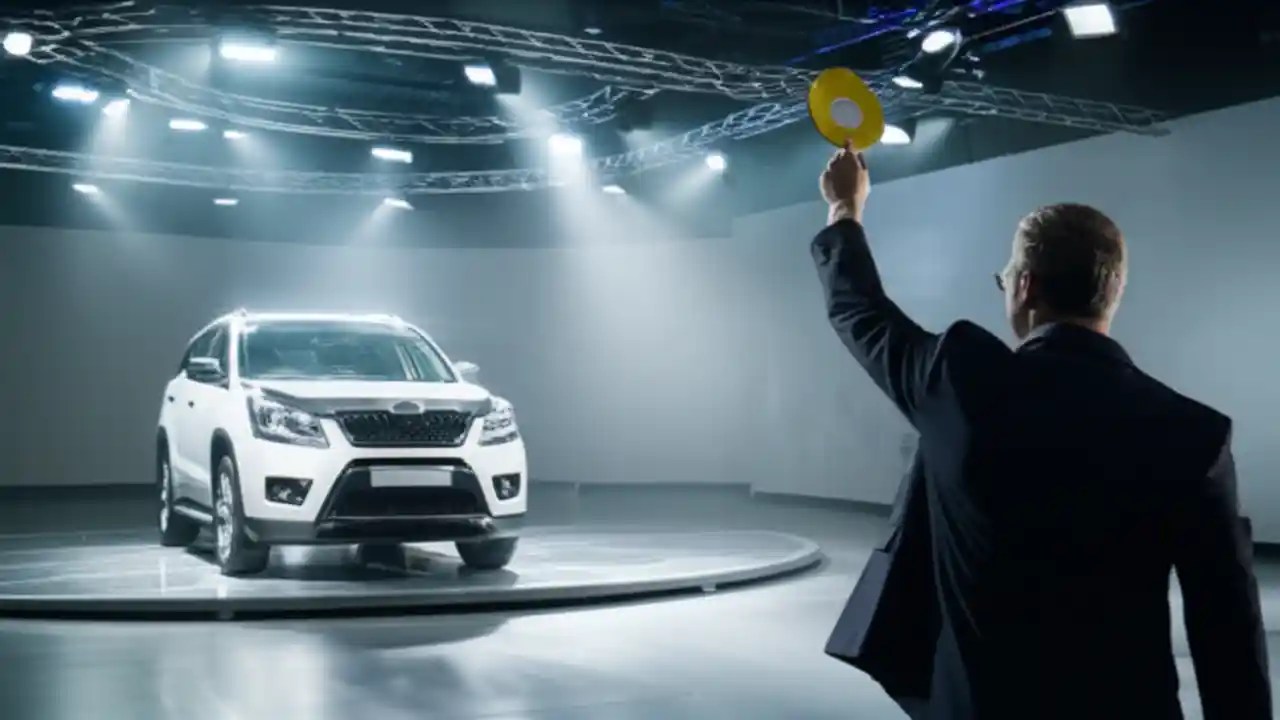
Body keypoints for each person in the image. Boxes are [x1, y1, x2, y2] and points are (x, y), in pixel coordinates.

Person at [812, 142, 1270, 719]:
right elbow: (1226, 627)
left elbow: (860, 311)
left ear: (1024, 286)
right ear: (1114, 292)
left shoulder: (961, 382)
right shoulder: (1194, 433)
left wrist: (845, 209)